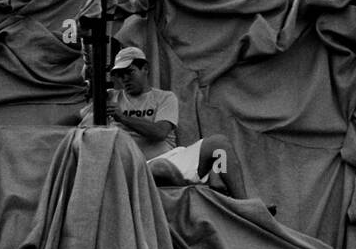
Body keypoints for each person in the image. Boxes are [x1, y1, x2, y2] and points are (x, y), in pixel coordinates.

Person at [80, 47, 250, 199]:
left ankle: (244, 204)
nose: (124, 79)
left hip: (171, 159)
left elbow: (160, 132)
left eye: (129, 72)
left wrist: (123, 118)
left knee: (219, 145)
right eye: (120, 74)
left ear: (145, 69)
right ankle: (200, 188)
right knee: (159, 168)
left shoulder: (165, 98)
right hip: (135, 166)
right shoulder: (110, 98)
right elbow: (78, 122)